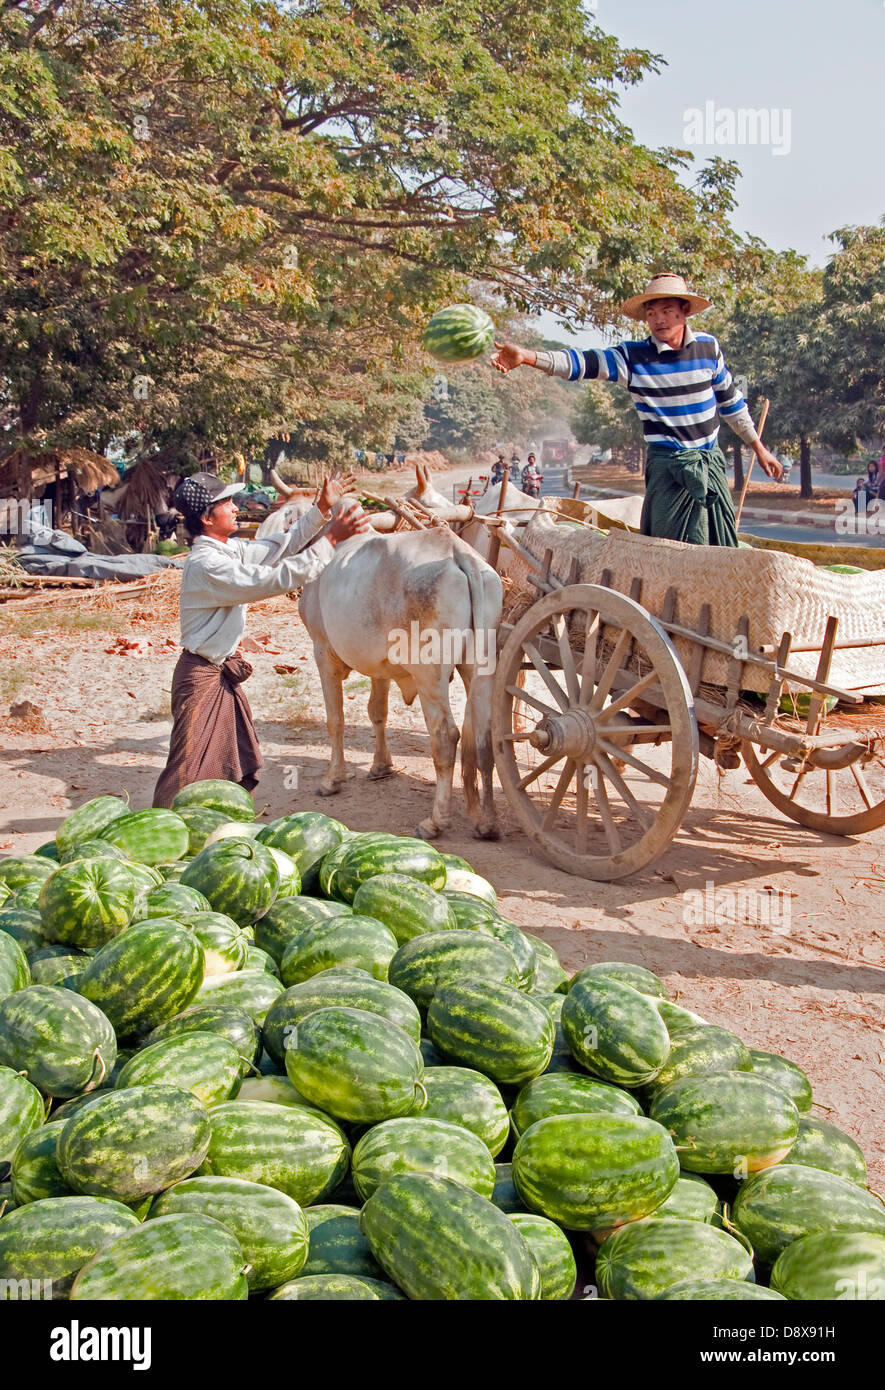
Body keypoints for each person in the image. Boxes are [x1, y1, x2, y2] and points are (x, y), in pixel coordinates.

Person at [492, 273, 782, 546]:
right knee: (667, 550)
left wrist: (759, 448)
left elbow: (731, 403)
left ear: (685, 311)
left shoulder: (709, 348)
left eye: (667, 310)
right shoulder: (633, 357)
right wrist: (528, 357)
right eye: (651, 313)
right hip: (668, 472)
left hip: (710, 465)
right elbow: (581, 363)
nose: (658, 319)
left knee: (722, 546)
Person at [152, 471, 369, 808]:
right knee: (186, 772)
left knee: (227, 762)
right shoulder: (208, 564)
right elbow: (273, 578)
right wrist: (332, 541)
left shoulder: (226, 550)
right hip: (201, 678)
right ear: (207, 518)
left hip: (217, 673)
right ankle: (161, 834)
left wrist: (321, 509)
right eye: (225, 503)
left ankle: (213, 827)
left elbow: (279, 546)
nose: (235, 507)